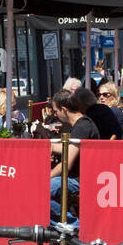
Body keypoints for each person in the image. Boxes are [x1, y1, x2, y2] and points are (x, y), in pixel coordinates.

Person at [49, 89, 98, 220]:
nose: (55, 114)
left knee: (41, 191)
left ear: (64, 109)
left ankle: (74, 227)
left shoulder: (82, 127)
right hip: (81, 176)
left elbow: (66, 164)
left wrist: (46, 178)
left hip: (81, 179)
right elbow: (70, 149)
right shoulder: (81, 124)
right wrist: (52, 146)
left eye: (56, 111)